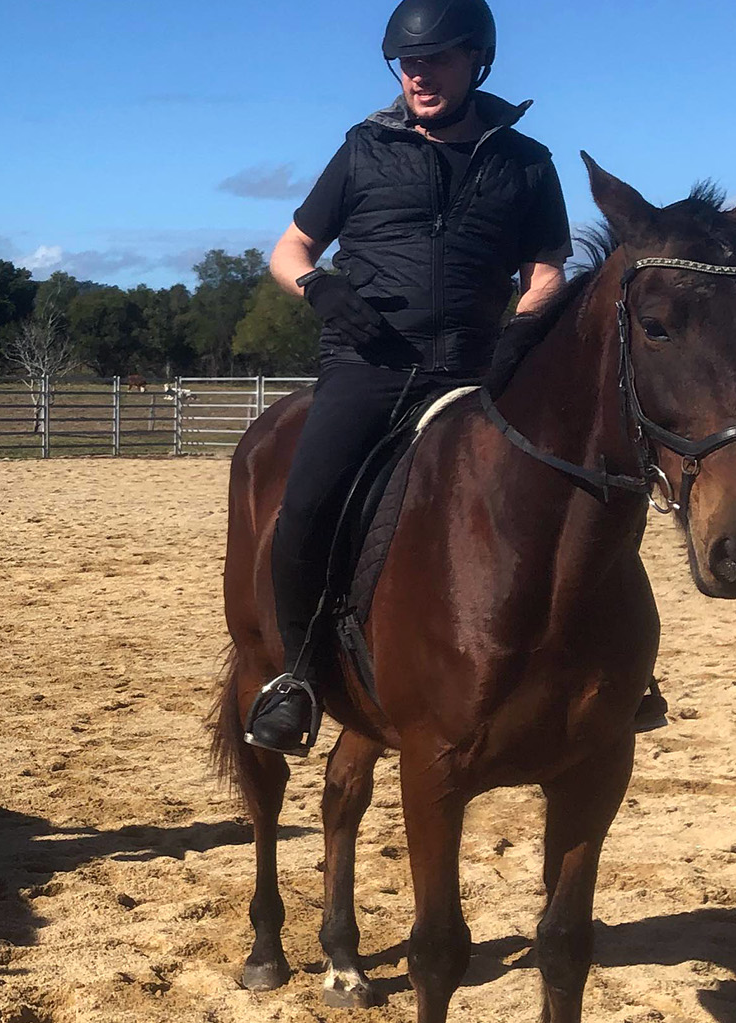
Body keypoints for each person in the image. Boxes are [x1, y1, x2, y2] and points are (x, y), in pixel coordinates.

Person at [244, 0, 603, 755]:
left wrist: (520, 336)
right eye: (407, 62)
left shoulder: (526, 162)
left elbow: (545, 272)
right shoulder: (363, 148)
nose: (418, 73)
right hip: (368, 365)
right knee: (307, 502)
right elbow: (289, 248)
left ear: (478, 60)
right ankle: (301, 677)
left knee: (584, 488)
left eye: (435, 58)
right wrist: (320, 288)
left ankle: (619, 670)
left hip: (477, 368)